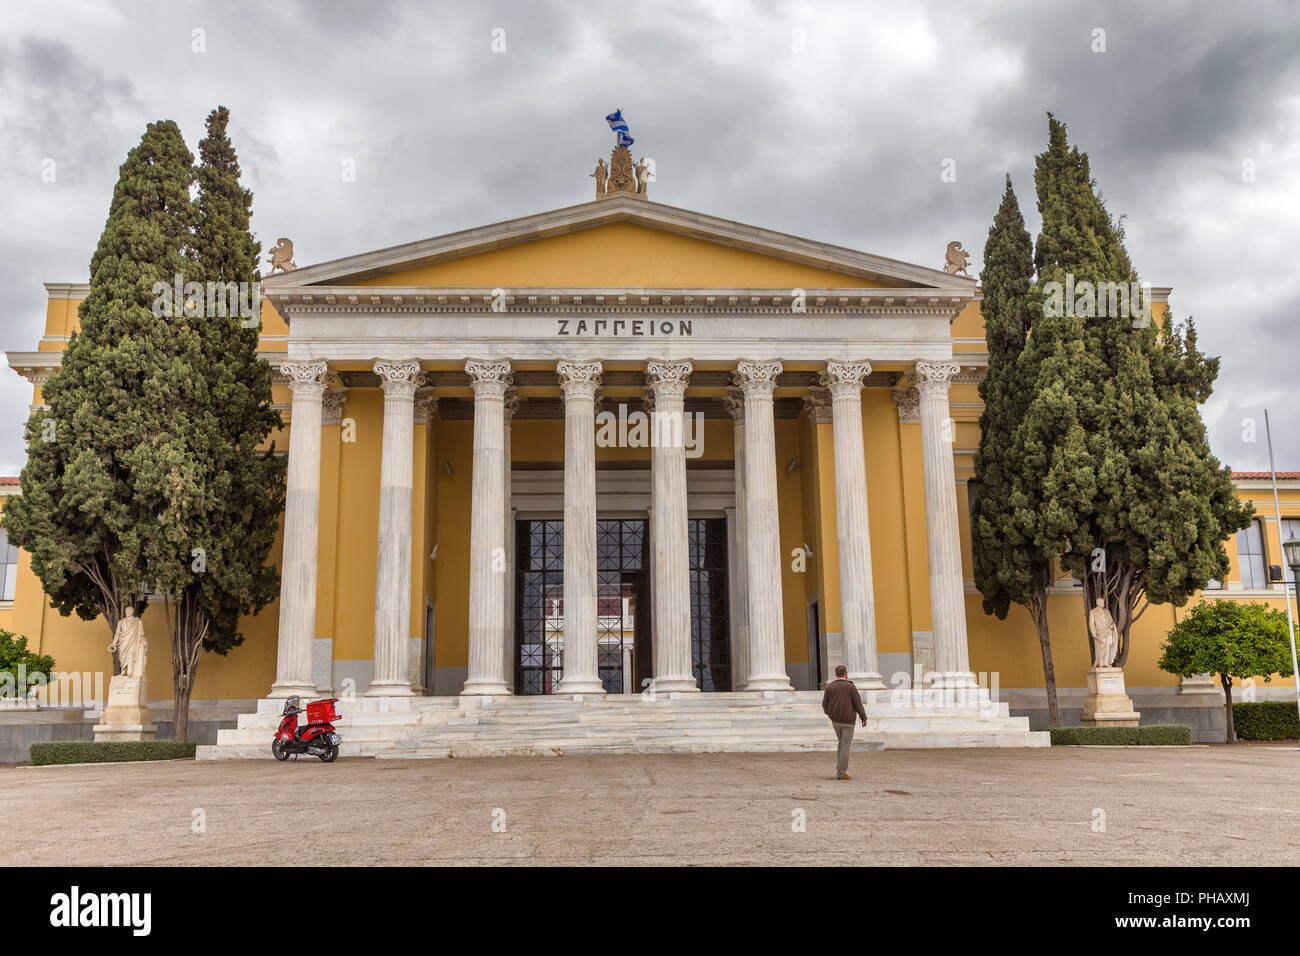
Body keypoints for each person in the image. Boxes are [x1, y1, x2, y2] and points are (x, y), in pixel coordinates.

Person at [821, 664, 867, 780]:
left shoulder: (830, 687)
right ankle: (841, 773)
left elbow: (824, 704)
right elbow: (858, 704)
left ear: (836, 674)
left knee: (841, 744)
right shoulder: (850, 687)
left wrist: (829, 713)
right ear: (846, 674)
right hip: (848, 722)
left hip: (835, 721)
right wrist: (863, 717)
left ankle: (839, 769)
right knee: (845, 746)